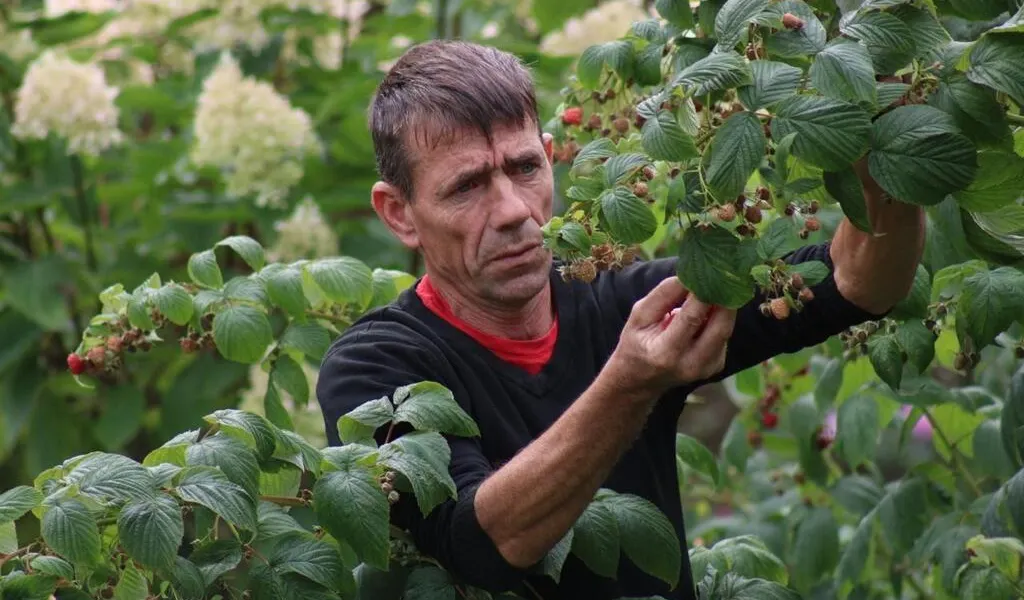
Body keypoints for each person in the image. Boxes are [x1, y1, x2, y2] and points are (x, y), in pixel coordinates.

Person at [315, 39, 925, 599]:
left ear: (550, 158)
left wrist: (885, 144)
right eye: (467, 186)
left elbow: (859, 281)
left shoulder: (624, 304)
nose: (512, 211)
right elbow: (483, 545)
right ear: (398, 213)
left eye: (525, 168)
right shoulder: (374, 368)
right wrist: (630, 382)